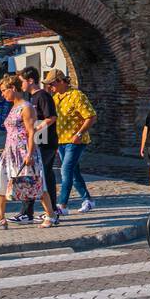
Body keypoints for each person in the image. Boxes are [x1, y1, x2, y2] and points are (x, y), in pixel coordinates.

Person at [0, 75, 59, 230]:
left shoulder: (27, 107)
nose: (2, 94)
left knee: (37, 184)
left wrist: (30, 154)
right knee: (0, 182)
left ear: (13, 89)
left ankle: (51, 215)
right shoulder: (13, 106)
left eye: (4, 91)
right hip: (10, 152)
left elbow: (31, 132)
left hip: (24, 151)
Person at [10, 66, 58, 223]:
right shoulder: (31, 98)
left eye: (22, 81)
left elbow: (51, 117)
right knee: (40, 176)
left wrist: (35, 129)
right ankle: (37, 212)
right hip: (38, 142)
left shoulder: (42, 96)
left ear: (30, 81)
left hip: (45, 143)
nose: (21, 85)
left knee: (36, 176)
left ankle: (43, 212)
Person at [46, 69, 97, 215]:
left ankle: (62, 205)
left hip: (76, 141)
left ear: (61, 81)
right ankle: (88, 200)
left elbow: (91, 116)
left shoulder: (77, 95)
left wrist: (79, 133)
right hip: (61, 141)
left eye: (52, 83)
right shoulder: (56, 98)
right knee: (73, 172)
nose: (50, 86)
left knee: (65, 170)